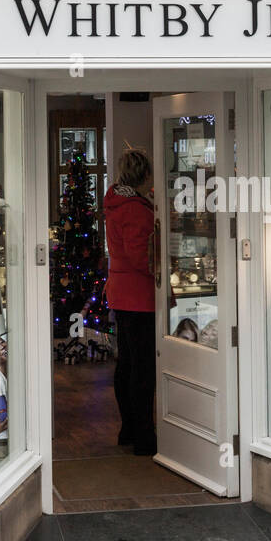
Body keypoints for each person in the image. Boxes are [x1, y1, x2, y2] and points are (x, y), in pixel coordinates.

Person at [104, 148, 158, 456]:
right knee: (143, 369)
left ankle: (128, 428)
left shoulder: (115, 201)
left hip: (121, 291)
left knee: (126, 363)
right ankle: (143, 434)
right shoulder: (136, 209)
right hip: (140, 295)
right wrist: (162, 270)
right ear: (145, 176)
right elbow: (141, 256)